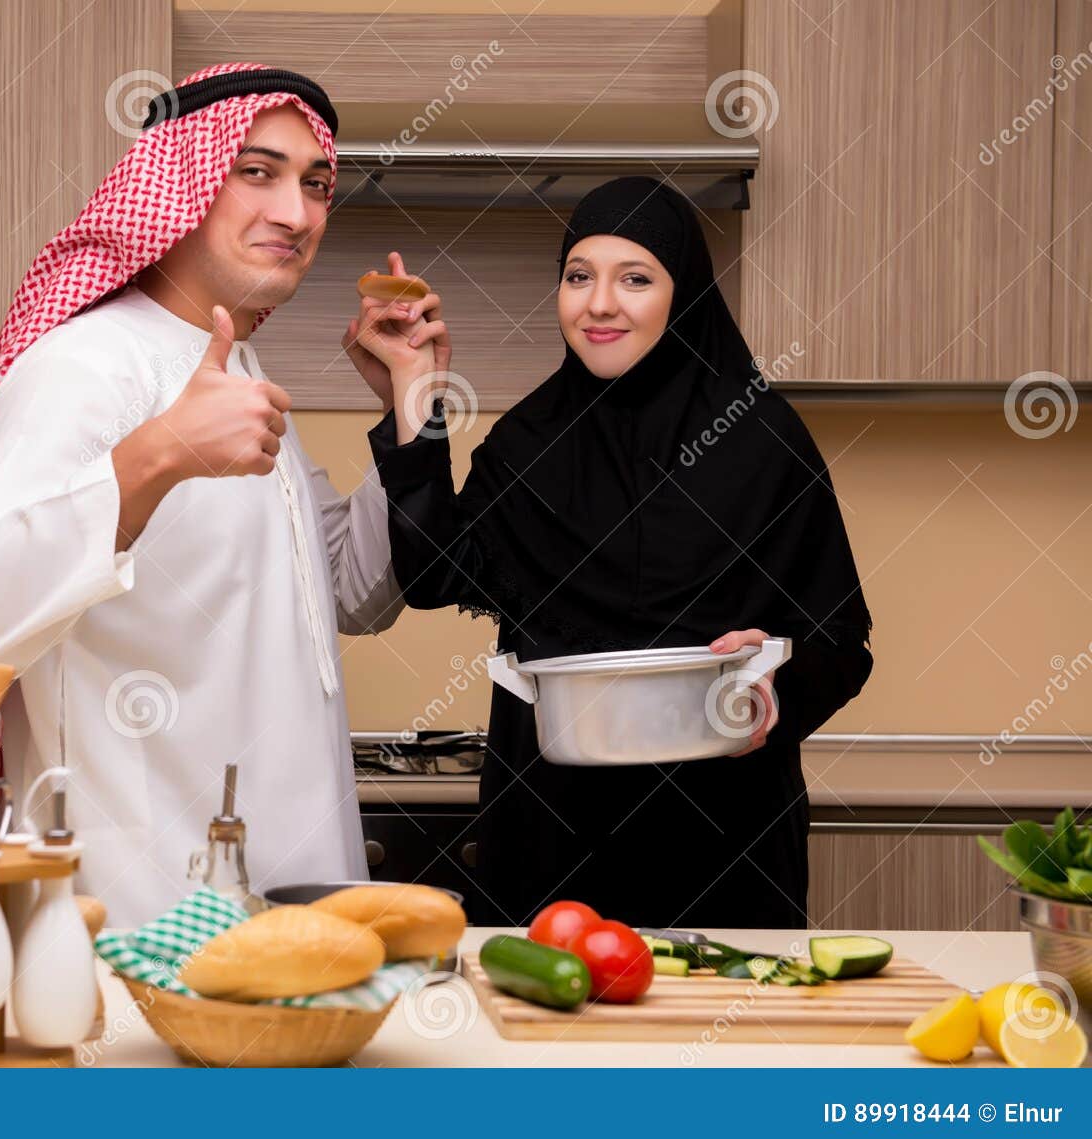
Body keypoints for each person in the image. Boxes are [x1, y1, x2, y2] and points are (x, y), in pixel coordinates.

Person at [0, 64, 445, 926]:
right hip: (140, 936)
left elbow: (350, 595)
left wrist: (408, 406)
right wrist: (156, 455)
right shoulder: (87, 365)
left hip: (291, 915)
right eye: (257, 171)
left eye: (316, 185)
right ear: (181, 179)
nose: (298, 213)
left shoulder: (230, 366)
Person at [363, 176, 873, 929]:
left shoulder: (764, 442)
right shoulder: (529, 442)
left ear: (684, 293)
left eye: (635, 278)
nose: (599, 303)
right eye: (579, 276)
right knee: (539, 1040)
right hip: (548, 846)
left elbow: (841, 645)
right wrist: (414, 394)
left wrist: (776, 688)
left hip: (725, 845)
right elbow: (436, 575)